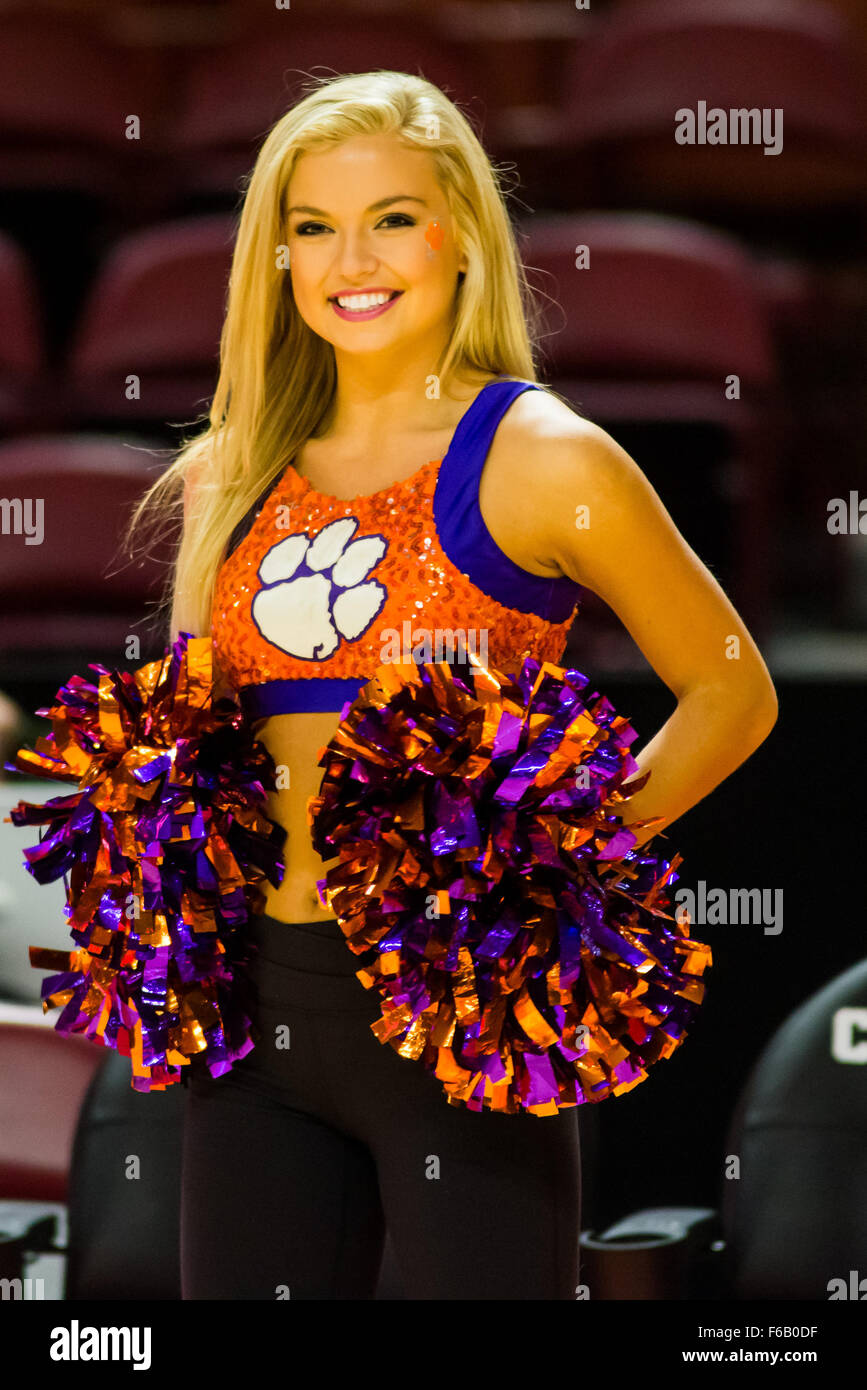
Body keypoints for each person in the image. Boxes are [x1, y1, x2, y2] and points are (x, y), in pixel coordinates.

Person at [129, 70, 777, 1300]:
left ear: (464, 235)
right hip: (258, 1019)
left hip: (454, 1013)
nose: (348, 259)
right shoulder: (229, 471)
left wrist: (552, 857)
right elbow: (188, 743)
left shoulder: (543, 455)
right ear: (273, 257)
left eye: (391, 218)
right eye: (310, 226)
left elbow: (734, 690)